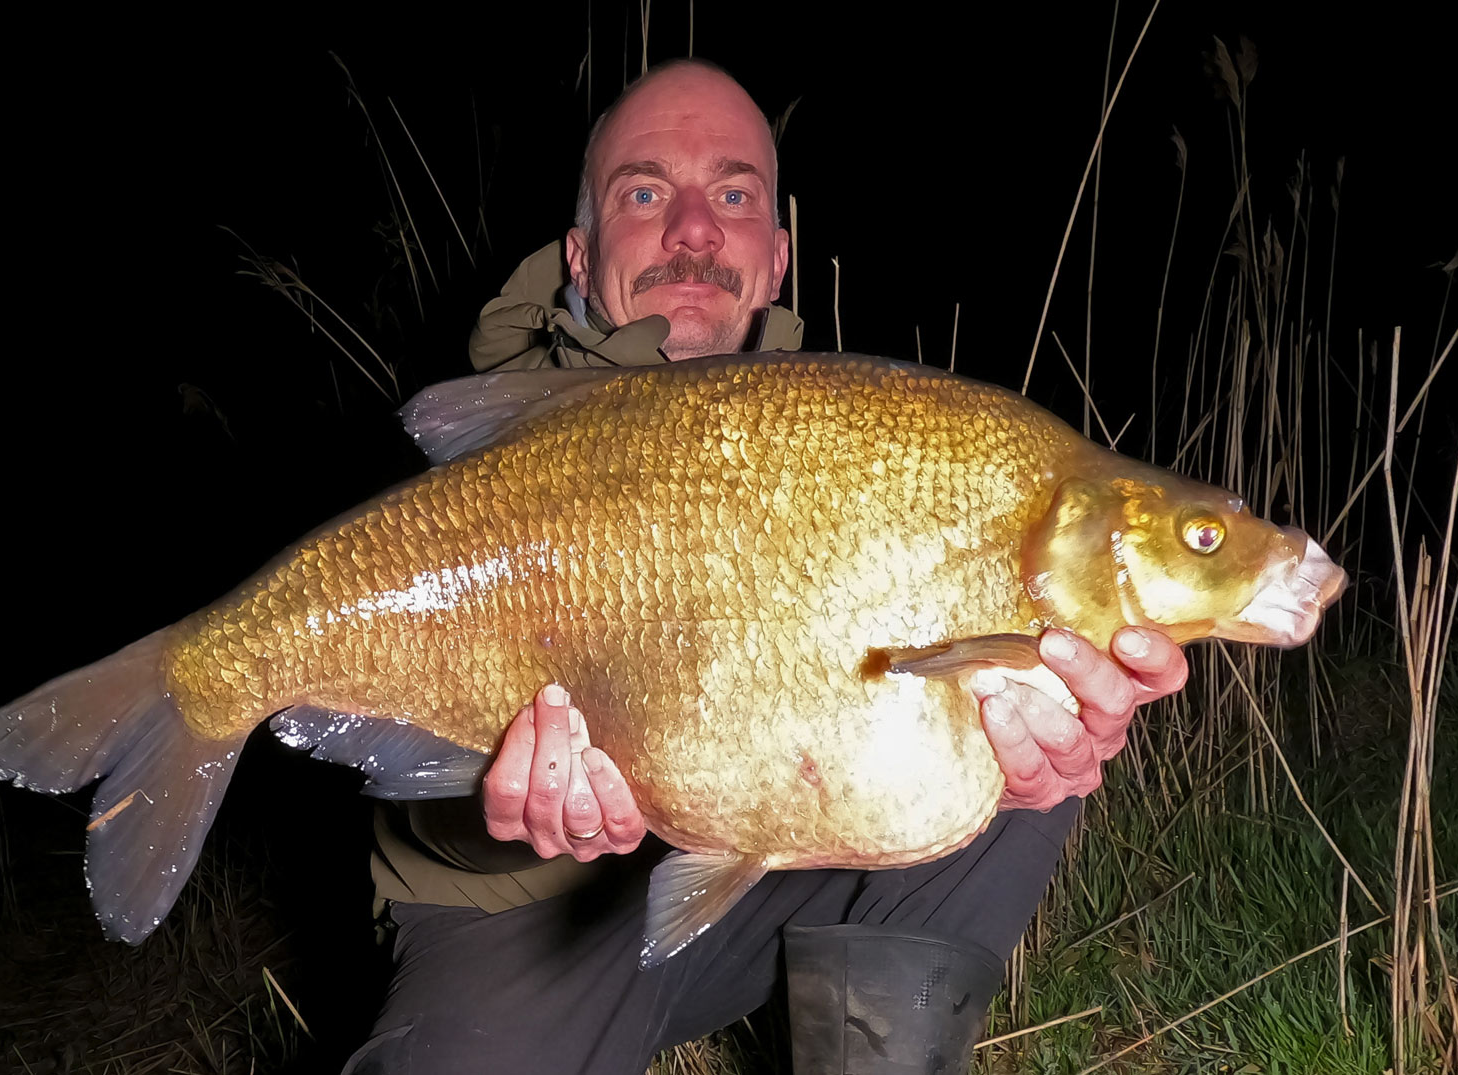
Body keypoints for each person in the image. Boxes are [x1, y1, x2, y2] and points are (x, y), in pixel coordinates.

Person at [344, 59, 1189, 1075]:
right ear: (579, 251)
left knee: (1022, 707)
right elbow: (403, 802)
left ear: (778, 257)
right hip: (520, 927)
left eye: (734, 193)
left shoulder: (866, 447)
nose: (694, 228)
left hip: (764, 888)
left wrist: (1012, 775)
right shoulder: (491, 468)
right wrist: (490, 812)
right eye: (645, 192)